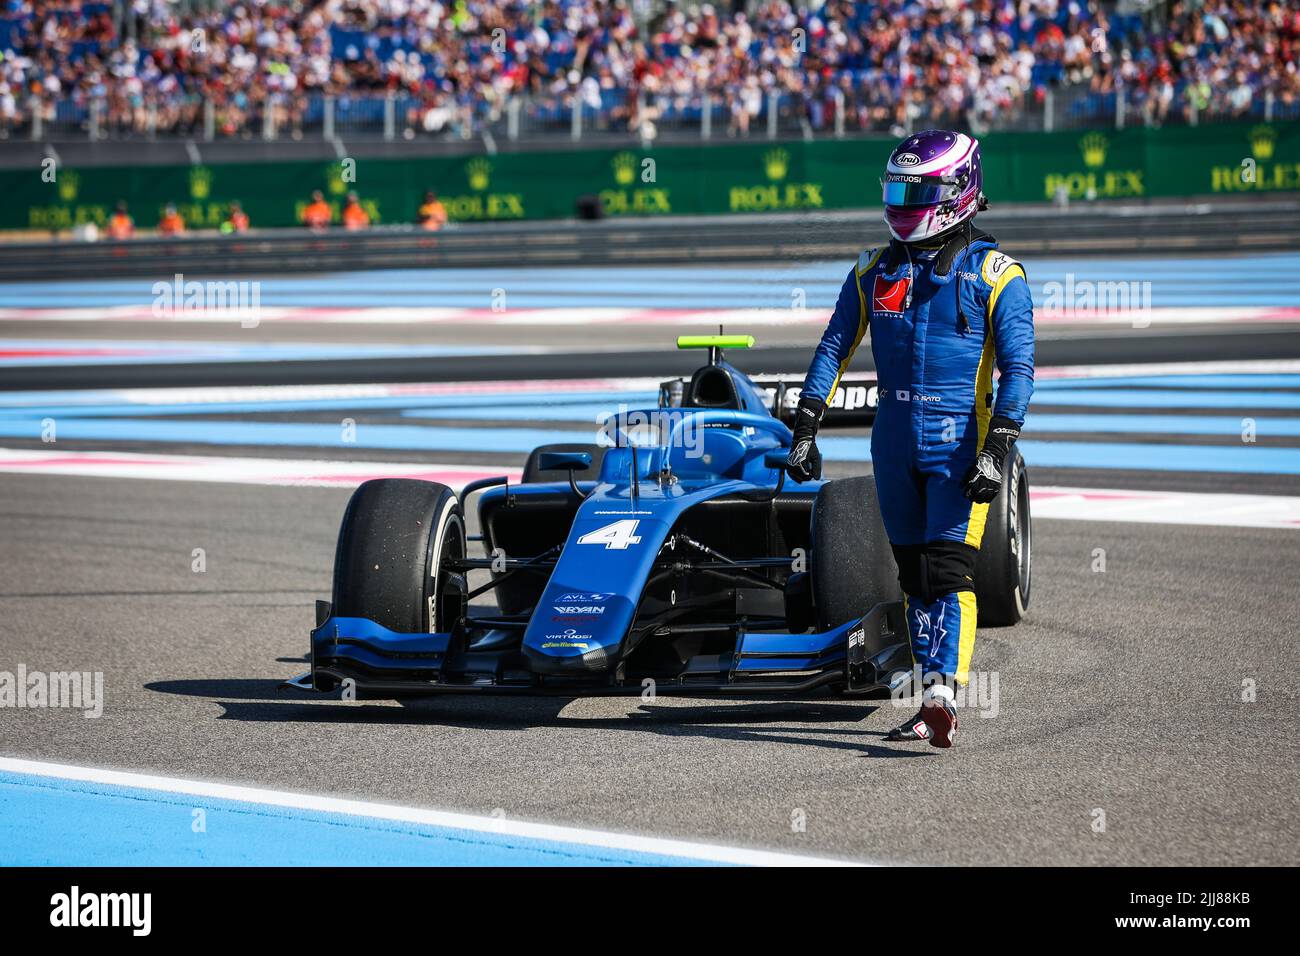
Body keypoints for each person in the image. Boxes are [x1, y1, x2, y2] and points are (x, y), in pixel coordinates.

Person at [785, 130, 1035, 748]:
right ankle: (930, 694)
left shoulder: (998, 275)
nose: (901, 201)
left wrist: (997, 450)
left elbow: (1020, 370)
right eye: (895, 188)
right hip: (892, 446)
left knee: (951, 572)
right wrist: (806, 424)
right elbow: (833, 346)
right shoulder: (873, 270)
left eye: (914, 189)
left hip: (959, 448)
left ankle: (944, 693)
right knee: (914, 576)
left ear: (957, 191)